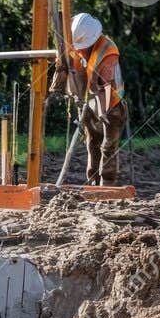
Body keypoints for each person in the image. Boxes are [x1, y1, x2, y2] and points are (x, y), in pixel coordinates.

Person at [54, 12, 126, 187]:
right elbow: (72, 68)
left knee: (108, 146)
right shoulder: (78, 48)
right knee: (92, 143)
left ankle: (107, 183)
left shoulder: (108, 52)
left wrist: (103, 111)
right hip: (91, 102)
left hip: (111, 105)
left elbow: (106, 86)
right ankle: (92, 180)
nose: (78, 50)